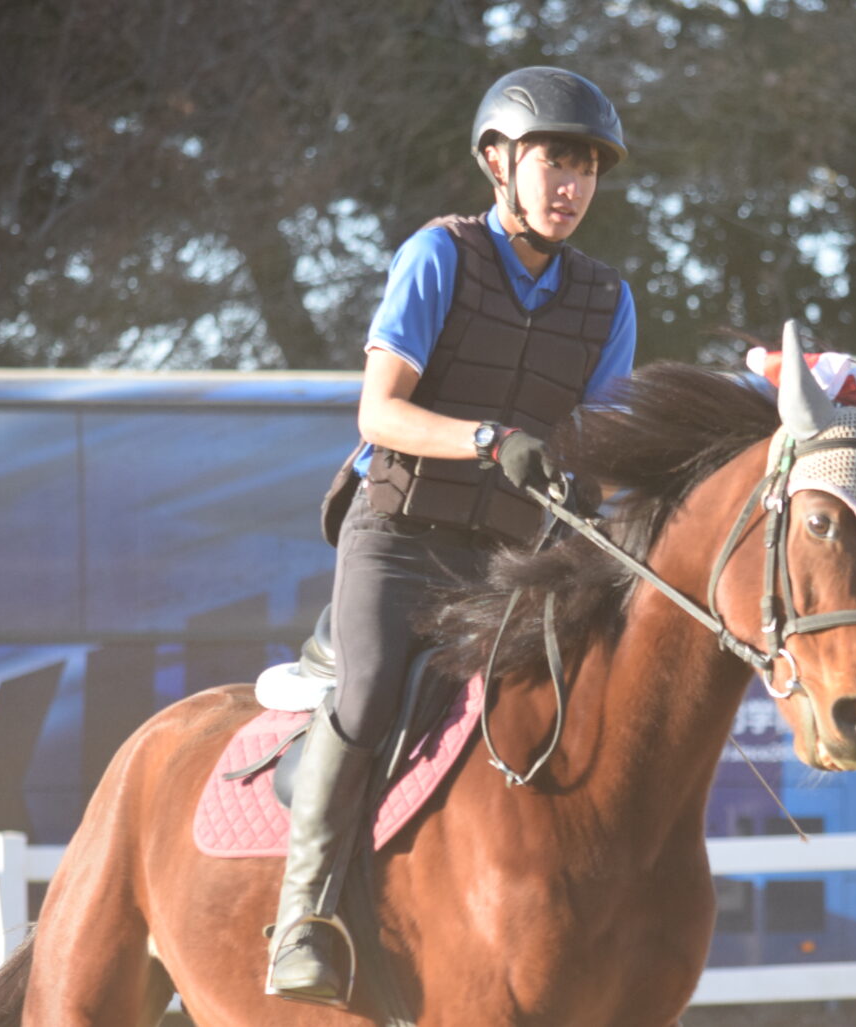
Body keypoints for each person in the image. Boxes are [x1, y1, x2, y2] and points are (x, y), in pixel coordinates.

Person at [267, 66, 637, 1006]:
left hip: (509, 560)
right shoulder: (438, 255)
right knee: (371, 683)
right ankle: (303, 915)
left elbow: (593, 450)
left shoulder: (609, 302)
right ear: (497, 161)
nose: (573, 184)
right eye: (556, 158)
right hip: (397, 535)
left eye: (589, 166)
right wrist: (489, 440)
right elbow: (380, 412)